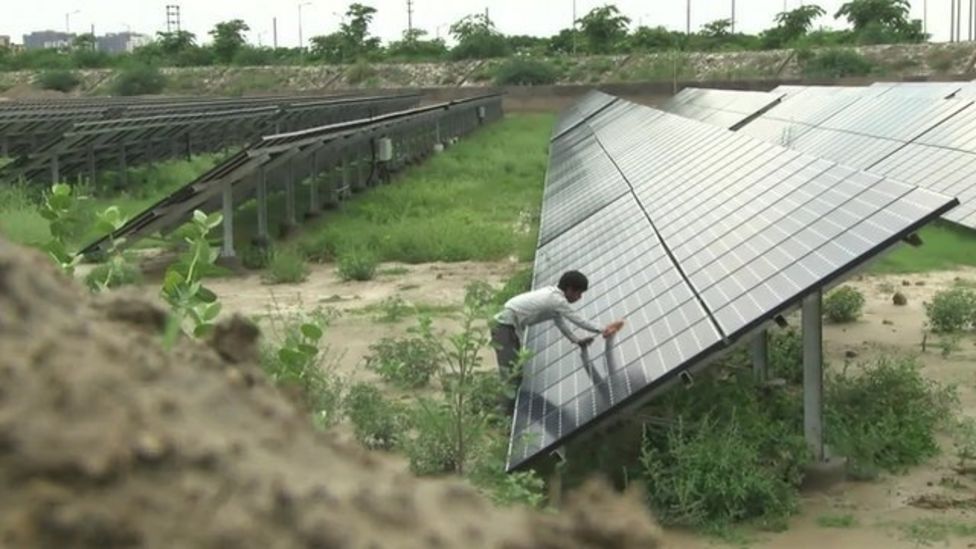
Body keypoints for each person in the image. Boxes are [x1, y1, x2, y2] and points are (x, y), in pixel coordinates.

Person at [491, 270, 623, 413]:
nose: (579, 297)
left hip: (509, 326)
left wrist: (576, 340)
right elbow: (578, 319)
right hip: (504, 327)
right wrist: (603, 329)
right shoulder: (556, 300)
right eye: (578, 293)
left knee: (515, 370)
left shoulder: (553, 297)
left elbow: (560, 322)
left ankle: (508, 408)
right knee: (510, 373)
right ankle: (501, 411)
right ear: (569, 289)